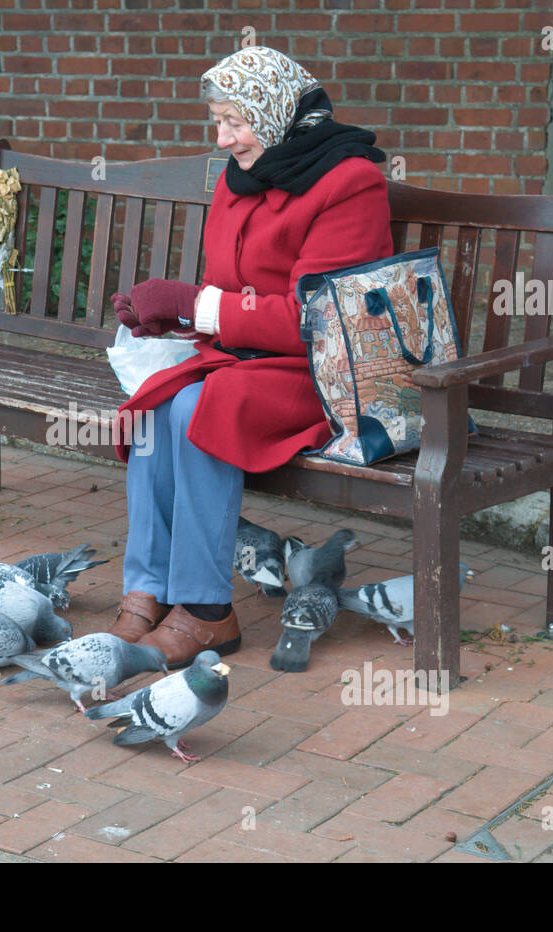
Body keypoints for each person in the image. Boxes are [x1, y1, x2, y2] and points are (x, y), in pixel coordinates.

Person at [107, 46, 394, 668]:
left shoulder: (350, 183)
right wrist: (168, 314)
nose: (224, 137)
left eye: (235, 120)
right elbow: (224, 291)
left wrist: (196, 304)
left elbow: (318, 320)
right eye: (217, 120)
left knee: (197, 408)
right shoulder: (241, 179)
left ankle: (207, 611)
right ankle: (150, 587)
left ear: (276, 110)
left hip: (325, 372)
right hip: (246, 358)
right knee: (155, 404)